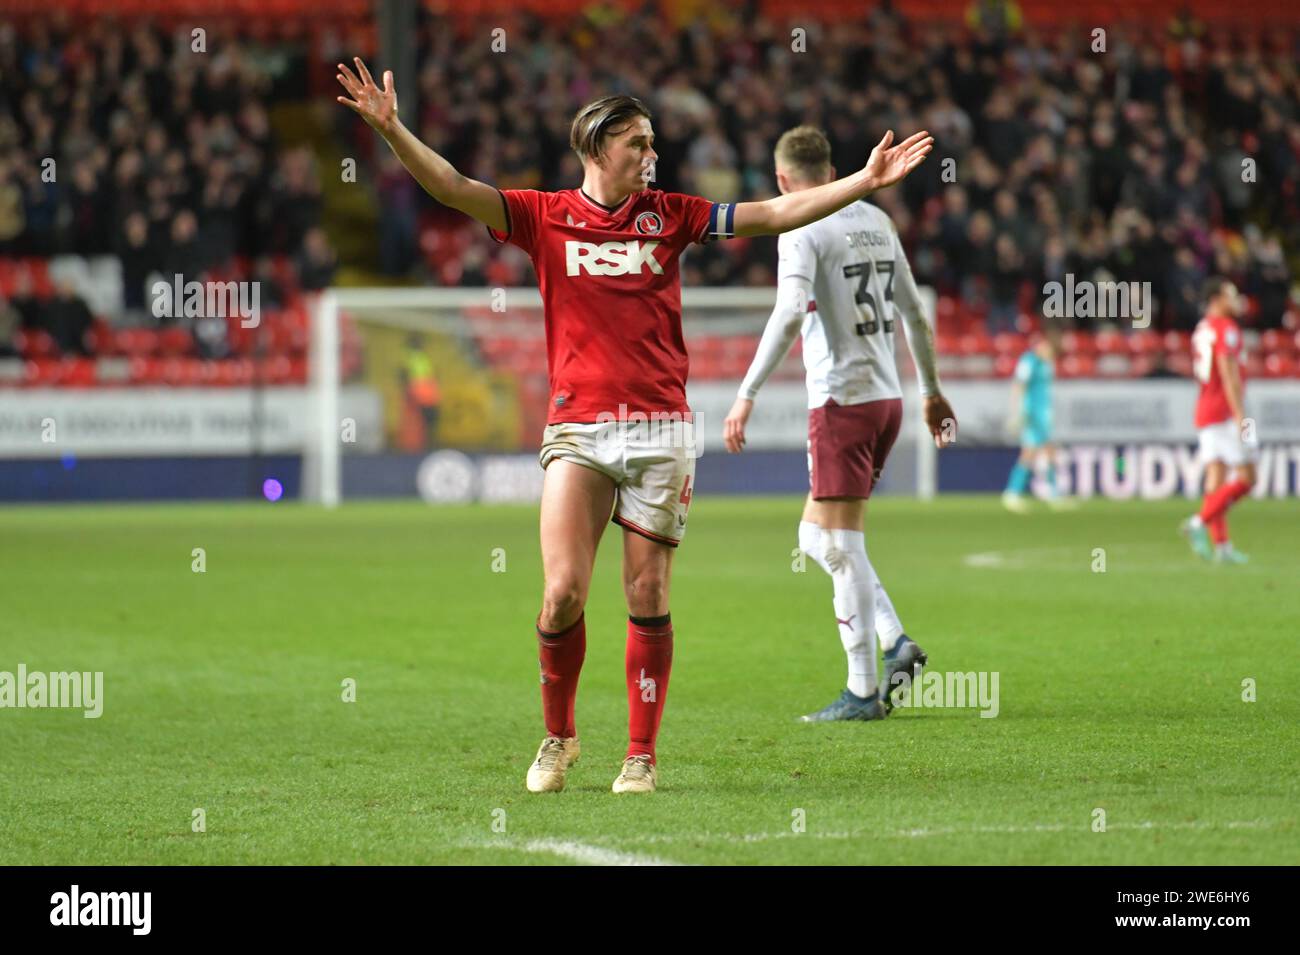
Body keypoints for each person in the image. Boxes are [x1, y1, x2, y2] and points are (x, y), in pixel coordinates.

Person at [336, 58, 933, 792]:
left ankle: (641, 754)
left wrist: (861, 184)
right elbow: (454, 188)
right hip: (579, 428)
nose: (653, 156)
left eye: (653, 143)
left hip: (660, 433)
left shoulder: (672, 215)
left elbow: (772, 214)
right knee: (561, 592)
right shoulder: (543, 216)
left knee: (647, 595)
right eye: (638, 144)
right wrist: (393, 130)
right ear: (597, 150)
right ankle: (559, 738)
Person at [723, 126, 955, 721]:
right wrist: (930, 390)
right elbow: (915, 314)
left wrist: (745, 393)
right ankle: (896, 641)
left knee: (842, 544)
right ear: (831, 170)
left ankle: (861, 693)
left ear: (781, 181)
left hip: (842, 403)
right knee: (813, 538)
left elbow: (787, 315)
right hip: (888, 401)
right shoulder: (877, 222)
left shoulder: (800, 227)